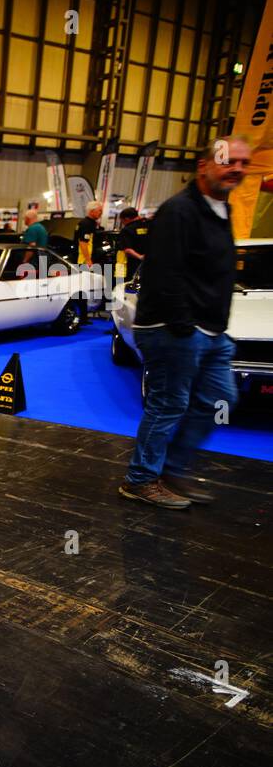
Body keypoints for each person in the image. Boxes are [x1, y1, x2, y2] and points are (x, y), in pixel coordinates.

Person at [120, 136, 249, 509]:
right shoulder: (179, 211)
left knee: (220, 399)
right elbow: (164, 273)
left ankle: (172, 471)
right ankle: (141, 479)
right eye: (228, 161)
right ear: (204, 165)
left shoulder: (220, 210)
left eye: (243, 162)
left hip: (211, 332)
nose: (237, 169)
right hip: (172, 330)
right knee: (168, 404)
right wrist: (183, 326)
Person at [118, 206, 149, 279]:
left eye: (122, 221)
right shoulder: (148, 225)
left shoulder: (127, 229)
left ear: (126, 219)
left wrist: (140, 257)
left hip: (132, 263)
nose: (123, 223)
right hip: (149, 262)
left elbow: (127, 249)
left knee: (129, 284)